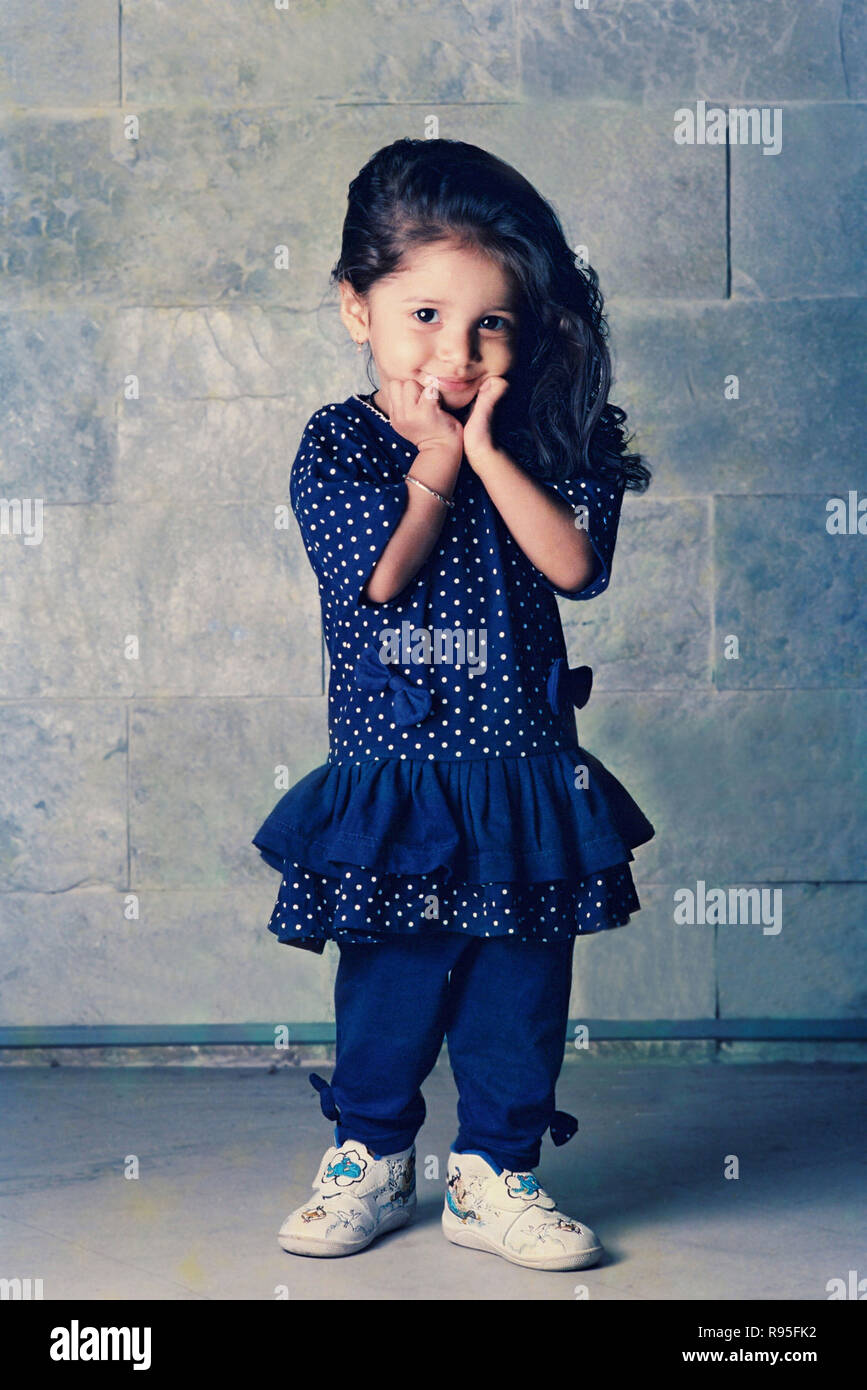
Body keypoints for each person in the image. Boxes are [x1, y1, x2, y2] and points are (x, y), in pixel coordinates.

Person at [251, 137, 655, 1273]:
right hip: (397, 771)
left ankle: (496, 1173)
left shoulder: (540, 439)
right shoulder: (338, 444)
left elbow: (575, 567)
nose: (458, 347)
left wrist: (483, 448)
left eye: (490, 322)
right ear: (356, 309)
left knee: (521, 977)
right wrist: (433, 461)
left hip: (523, 767)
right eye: (425, 314)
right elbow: (376, 575)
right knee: (392, 975)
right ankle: (369, 1157)